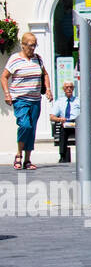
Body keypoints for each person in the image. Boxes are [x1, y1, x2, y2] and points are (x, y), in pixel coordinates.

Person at [2, 32, 54, 170]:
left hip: (35, 99)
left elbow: (45, 74)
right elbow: (4, 77)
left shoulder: (38, 58)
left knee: (32, 129)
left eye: (34, 45)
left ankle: (27, 159)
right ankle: (18, 154)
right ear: (23, 45)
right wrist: (7, 94)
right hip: (20, 99)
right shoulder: (15, 59)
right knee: (25, 125)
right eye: (30, 46)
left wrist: (48, 89)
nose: (33, 48)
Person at [49, 80, 81, 163]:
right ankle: (62, 156)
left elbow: (86, 113)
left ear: (73, 89)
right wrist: (60, 119)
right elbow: (52, 117)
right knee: (63, 132)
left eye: (71, 87)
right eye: (67, 87)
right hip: (65, 123)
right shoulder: (59, 102)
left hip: (77, 123)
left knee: (82, 133)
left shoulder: (78, 101)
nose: (69, 89)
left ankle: (82, 155)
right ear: (63, 89)